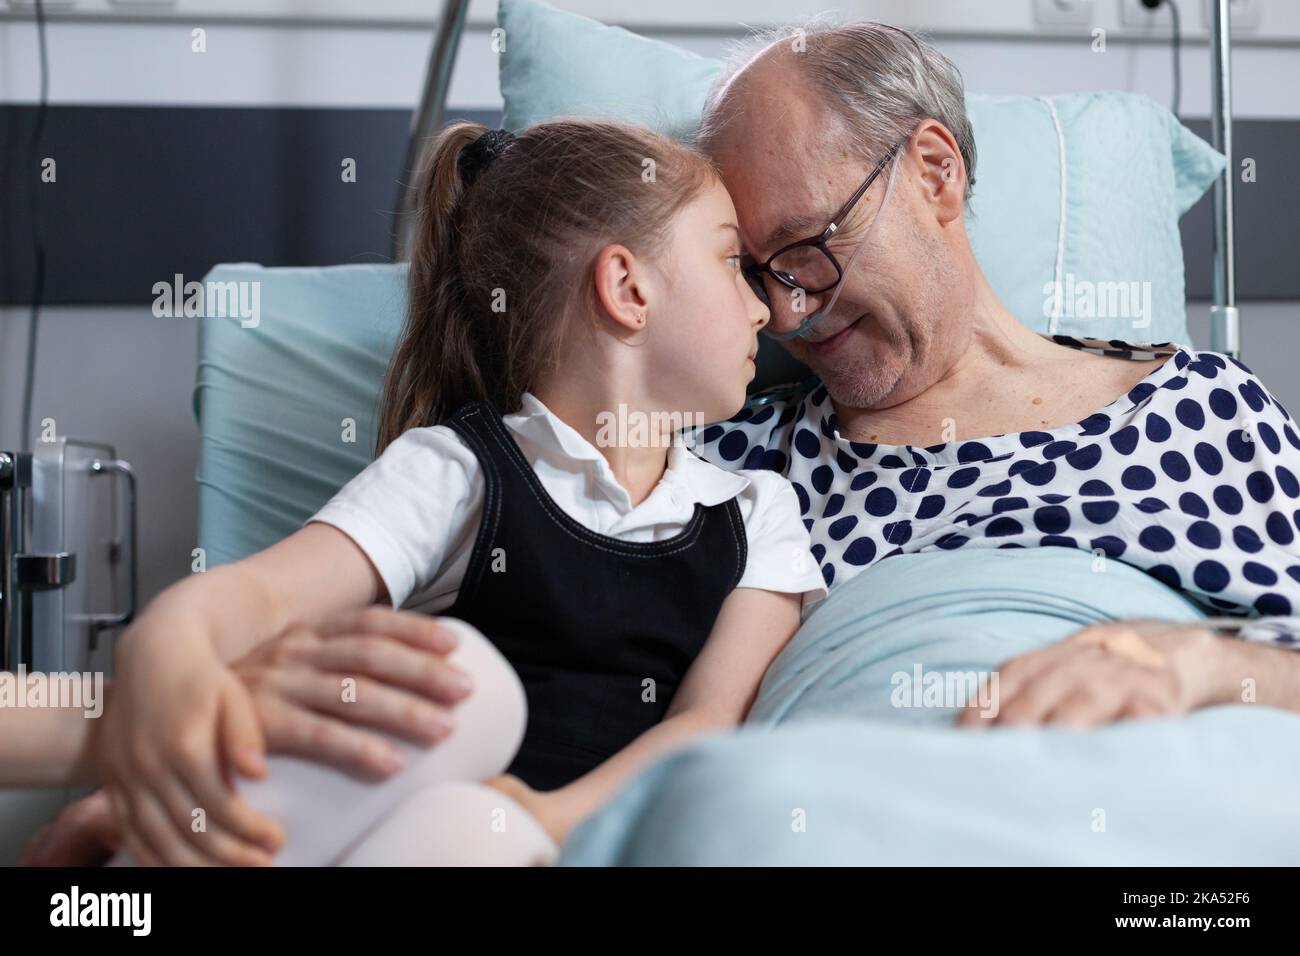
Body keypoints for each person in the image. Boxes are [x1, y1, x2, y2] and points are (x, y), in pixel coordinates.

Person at [89, 118, 826, 866]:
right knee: (459, 691)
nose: (765, 309)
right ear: (628, 289)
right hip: (405, 830)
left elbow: (709, 720)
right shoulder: (456, 471)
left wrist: (540, 818)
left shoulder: (756, 515)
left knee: (471, 823)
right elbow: (266, 599)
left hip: (569, 840)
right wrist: (168, 646)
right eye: (732, 261)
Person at [685, 16, 1300, 728]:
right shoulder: (735, 462)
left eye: (809, 246)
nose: (789, 316)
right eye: (761, 275)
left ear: (935, 172)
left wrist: (1200, 664)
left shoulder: (1204, 413)